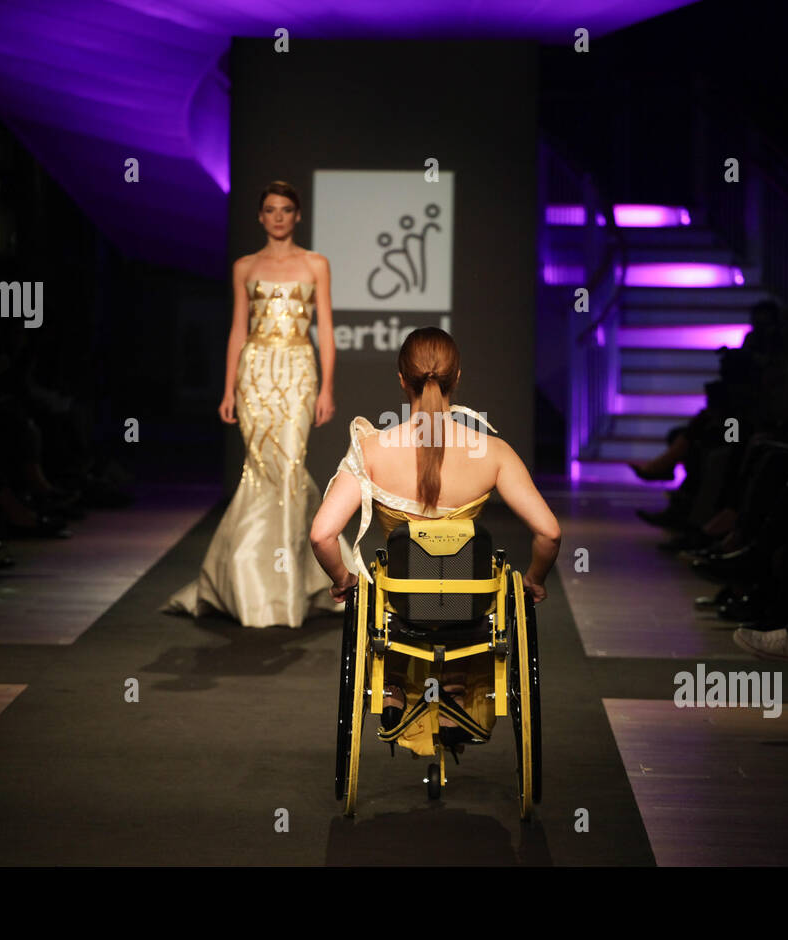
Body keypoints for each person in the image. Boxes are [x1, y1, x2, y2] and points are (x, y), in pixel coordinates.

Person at [309, 327, 561, 757]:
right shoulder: (493, 452)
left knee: (393, 592)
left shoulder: (372, 450)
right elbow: (550, 532)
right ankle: (457, 689)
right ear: (456, 377)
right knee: (468, 592)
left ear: (401, 379)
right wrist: (534, 580)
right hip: (468, 605)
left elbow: (321, 534)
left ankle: (392, 687)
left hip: (402, 605)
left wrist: (343, 580)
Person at [165, 181, 348, 627]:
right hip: (255, 374)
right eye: (271, 209)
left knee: (287, 469)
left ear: (297, 215)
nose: (279, 216)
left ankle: (279, 586)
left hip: (299, 371)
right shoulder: (244, 266)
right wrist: (229, 389)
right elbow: (237, 331)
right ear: (260, 217)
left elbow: (325, 329)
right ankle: (258, 581)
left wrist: (327, 388)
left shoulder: (316, 263)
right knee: (262, 470)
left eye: (287, 209)